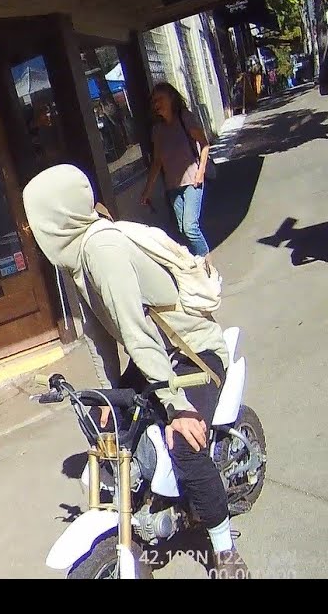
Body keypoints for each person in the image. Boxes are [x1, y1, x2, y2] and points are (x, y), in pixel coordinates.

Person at [23, 163, 248, 580]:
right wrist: (109, 395)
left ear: (57, 217)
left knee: (183, 441)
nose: (28, 230)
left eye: (33, 219)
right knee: (109, 433)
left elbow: (137, 332)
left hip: (192, 352)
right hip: (157, 357)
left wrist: (178, 407)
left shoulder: (101, 250)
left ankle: (224, 549)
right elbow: (98, 338)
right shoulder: (74, 262)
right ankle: (140, 519)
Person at [141, 81, 215, 269]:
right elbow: (157, 162)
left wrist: (200, 172)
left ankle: (208, 266)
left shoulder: (184, 118)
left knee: (190, 227)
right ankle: (198, 265)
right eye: (154, 101)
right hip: (173, 188)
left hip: (192, 181)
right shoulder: (157, 130)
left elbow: (204, 144)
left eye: (160, 99)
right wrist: (147, 191)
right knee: (183, 228)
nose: (156, 104)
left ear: (171, 98)